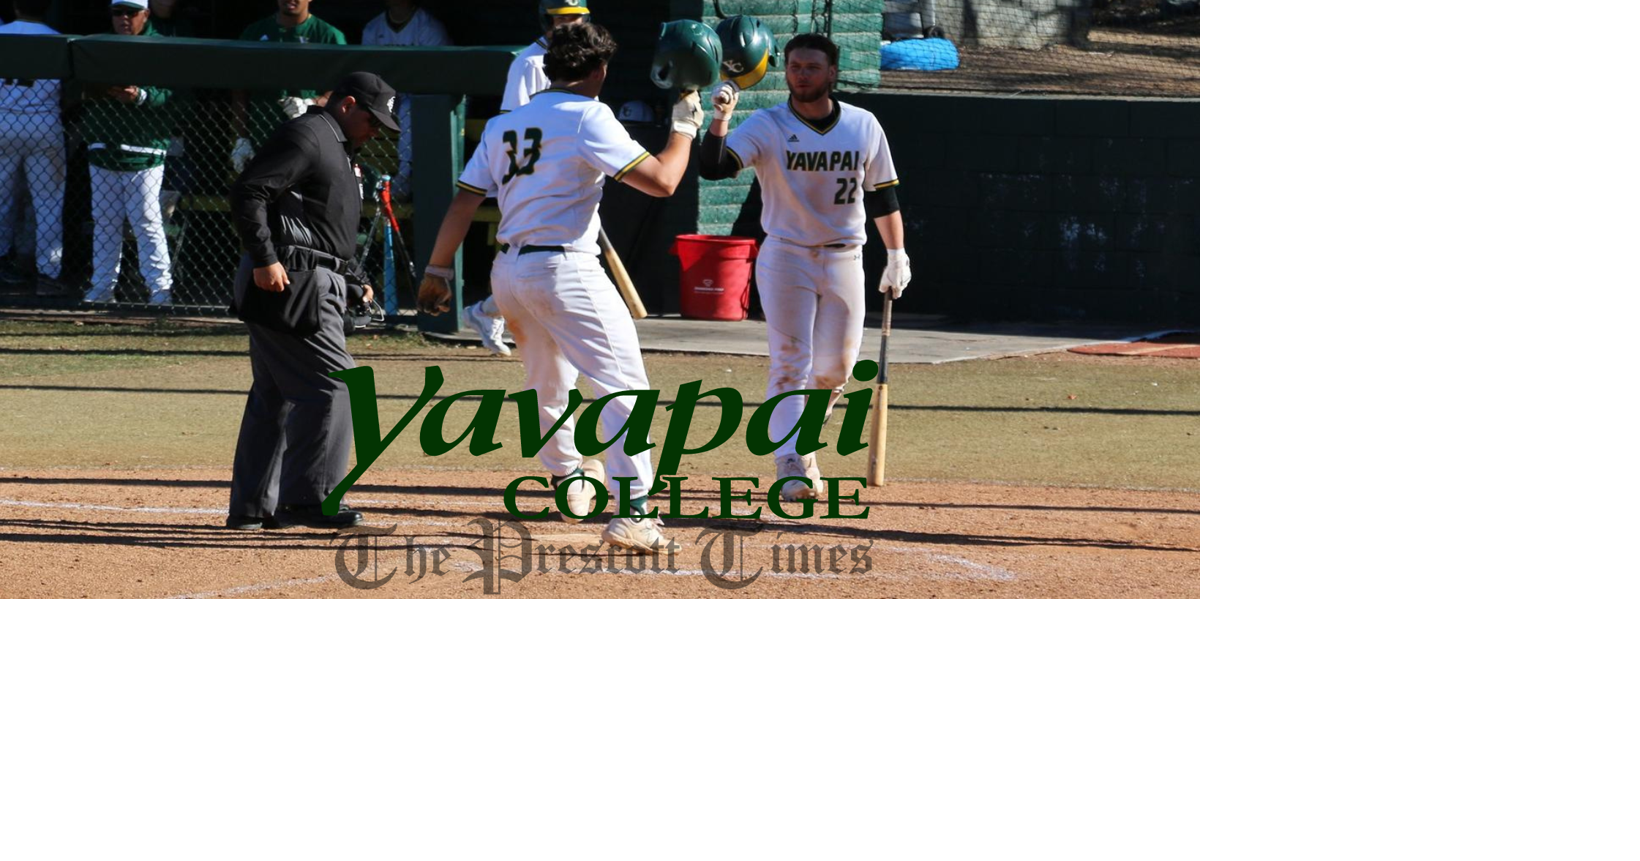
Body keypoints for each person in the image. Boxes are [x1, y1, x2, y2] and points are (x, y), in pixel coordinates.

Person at [417, 21, 701, 553]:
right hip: (564, 270)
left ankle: (570, 478)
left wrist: (436, 270)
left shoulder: (508, 121)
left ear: (548, 68)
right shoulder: (590, 114)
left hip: (510, 273)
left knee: (548, 382)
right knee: (625, 388)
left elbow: (463, 202)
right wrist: (684, 128)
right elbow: (663, 181)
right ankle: (634, 511)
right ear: (599, 70)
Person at [698, 33, 911, 502]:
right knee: (791, 362)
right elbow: (713, 169)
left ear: (831, 73)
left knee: (836, 370)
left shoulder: (863, 124)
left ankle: (804, 443)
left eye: (812, 67)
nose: (802, 74)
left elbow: (882, 195)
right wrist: (719, 118)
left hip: (844, 257)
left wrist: (896, 254)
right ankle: (788, 460)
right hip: (786, 256)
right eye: (794, 66)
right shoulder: (767, 124)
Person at [226, 72, 393, 531]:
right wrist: (264, 258)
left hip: (303, 276)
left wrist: (353, 278)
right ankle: (308, 498)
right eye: (372, 120)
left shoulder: (334, 144)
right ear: (348, 104)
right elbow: (249, 190)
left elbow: (319, 227)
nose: (375, 131)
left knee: (276, 393)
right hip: (288, 281)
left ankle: (253, 507)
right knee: (337, 385)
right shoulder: (309, 134)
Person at [463, 1, 591, 356]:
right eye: (561, 20)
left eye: (576, 18)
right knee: (531, 260)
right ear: (546, 21)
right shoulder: (529, 63)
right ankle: (489, 312)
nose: (569, 26)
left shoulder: (584, 59)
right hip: (535, 178)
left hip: (571, 176)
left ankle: (485, 311)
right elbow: (513, 127)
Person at [82, 0, 174, 306]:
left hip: (145, 149)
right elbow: (78, 88)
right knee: (105, 222)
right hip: (104, 146)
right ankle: (101, 289)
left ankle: (160, 292)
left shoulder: (163, 46)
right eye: (118, 12)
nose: (124, 18)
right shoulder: (100, 45)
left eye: (131, 12)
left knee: (147, 221)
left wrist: (140, 96)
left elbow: (173, 96)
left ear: (145, 14)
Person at [231, 0, 347, 174]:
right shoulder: (254, 32)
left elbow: (342, 90)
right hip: (263, 138)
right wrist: (241, 138)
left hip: (311, 140)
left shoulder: (328, 35)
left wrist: (311, 103)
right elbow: (240, 90)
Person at [0, 0, 66, 296]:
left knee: (2, 200)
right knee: (48, 203)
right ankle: (48, 274)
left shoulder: (3, 33)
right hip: (43, 122)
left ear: (15, 5)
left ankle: (2, 261)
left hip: (4, 119)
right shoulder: (58, 38)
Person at [361, 0, 451, 193]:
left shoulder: (428, 27)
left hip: (422, 97)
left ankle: (403, 178)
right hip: (387, 94)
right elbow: (369, 73)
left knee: (409, 107)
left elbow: (439, 74)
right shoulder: (373, 27)